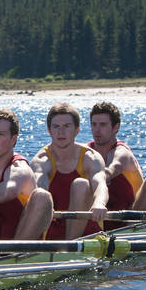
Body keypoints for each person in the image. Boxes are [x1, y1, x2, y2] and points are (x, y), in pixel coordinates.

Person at [32, 102, 108, 240]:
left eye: (66, 126)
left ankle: (71, 244)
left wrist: (100, 203)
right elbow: (39, 183)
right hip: (52, 227)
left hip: (88, 231)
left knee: (81, 185)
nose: (61, 132)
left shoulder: (90, 157)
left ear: (77, 130)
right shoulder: (42, 160)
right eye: (56, 127)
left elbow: (100, 184)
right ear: (49, 130)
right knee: (40, 195)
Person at [0, 108, 53, 240]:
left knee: (42, 196)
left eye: (0, 134)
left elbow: (3, 192)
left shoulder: (20, 169)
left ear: (13, 139)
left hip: (19, 241)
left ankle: (15, 256)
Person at [87, 101, 146, 211]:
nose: (97, 130)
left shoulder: (122, 153)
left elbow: (113, 168)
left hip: (128, 217)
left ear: (116, 127)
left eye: (103, 125)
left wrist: (101, 176)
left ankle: (136, 226)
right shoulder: (86, 151)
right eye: (94, 124)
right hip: (97, 215)